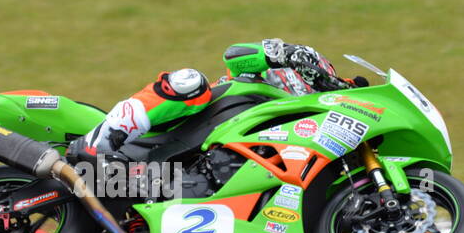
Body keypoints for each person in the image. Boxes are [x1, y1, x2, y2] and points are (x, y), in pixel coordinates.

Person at [75, 38, 349, 155]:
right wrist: (283, 53)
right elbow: (235, 54)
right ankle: (103, 141)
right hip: (165, 137)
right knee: (191, 83)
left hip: (191, 168)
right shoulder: (248, 86)